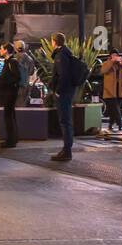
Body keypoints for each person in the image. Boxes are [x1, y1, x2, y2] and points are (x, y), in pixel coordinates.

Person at [50, 32, 78, 162]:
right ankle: (66, 149)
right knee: (66, 120)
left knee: (65, 121)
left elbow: (62, 75)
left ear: (55, 42)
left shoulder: (61, 55)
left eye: (52, 41)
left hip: (64, 92)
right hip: (68, 91)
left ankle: (67, 151)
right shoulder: (66, 53)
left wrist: (58, 91)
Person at [0, 43, 21, 148]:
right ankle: (12, 139)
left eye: (1, 48)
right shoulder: (8, 61)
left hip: (10, 93)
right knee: (10, 115)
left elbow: (16, 77)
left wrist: (4, 83)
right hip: (9, 92)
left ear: (6, 50)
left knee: (9, 116)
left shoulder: (12, 62)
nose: (0, 50)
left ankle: (11, 141)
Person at [100, 49, 122, 133]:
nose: (115, 56)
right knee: (115, 108)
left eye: (116, 55)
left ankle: (110, 125)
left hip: (120, 91)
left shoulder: (121, 64)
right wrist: (111, 61)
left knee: (114, 109)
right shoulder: (106, 63)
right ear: (110, 56)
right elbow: (103, 71)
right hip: (110, 91)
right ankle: (120, 125)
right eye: (113, 55)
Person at [14, 39, 35, 106]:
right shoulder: (30, 59)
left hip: (15, 86)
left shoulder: (14, 58)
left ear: (16, 48)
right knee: (23, 106)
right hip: (25, 85)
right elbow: (31, 72)